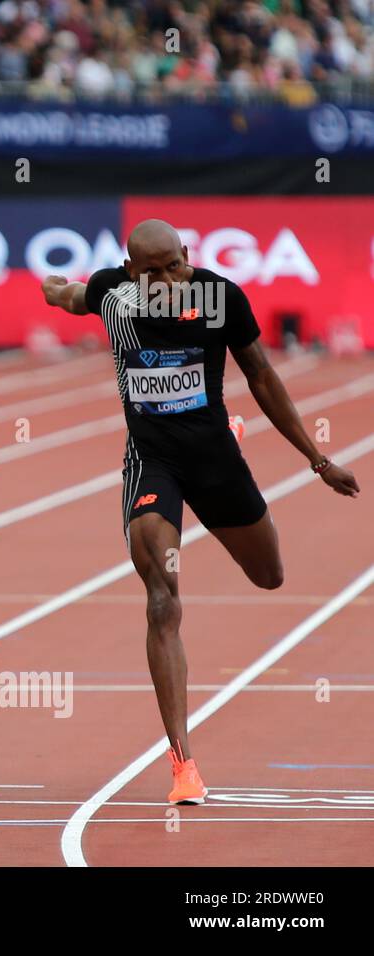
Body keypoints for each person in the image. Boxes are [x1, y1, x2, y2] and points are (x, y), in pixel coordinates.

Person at [41, 218, 360, 805]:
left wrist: (317, 460)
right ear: (132, 272)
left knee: (270, 575)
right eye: (151, 272)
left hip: (215, 459)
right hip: (153, 463)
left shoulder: (220, 298)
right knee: (162, 600)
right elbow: (66, 295)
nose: (165, 280)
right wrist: (53, 285)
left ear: (187, 255)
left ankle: (230, 434)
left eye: (174, 266)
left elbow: (261, 374)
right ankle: (183, 762)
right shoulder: (114, 294)